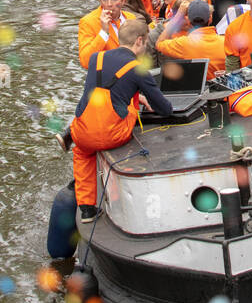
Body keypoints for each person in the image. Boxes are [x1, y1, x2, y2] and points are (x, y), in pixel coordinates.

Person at [67, 19, 173, 222]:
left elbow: (106, 88)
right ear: (140, 41)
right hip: (113, 135)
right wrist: (139, 96)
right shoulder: (138, 68)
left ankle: (87, 209)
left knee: (82, 153)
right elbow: (164, 109)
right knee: (130, 109)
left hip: (83, 131)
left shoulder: (95, 58)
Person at [154, 0, 226, 78]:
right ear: (210, 18)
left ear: (188, 21)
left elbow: (159, 43)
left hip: (197, 89)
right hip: (225, 89)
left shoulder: (183, 43)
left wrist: (178, 15)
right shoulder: (225, 42)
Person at [77, 0, 139, 69]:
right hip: (106, 78)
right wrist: (103, 33)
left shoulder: (131, 18)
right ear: (100, 1)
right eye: (105, 0)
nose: (109, 4)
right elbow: (86, 62)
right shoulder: (88, 22)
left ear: (123, 1)